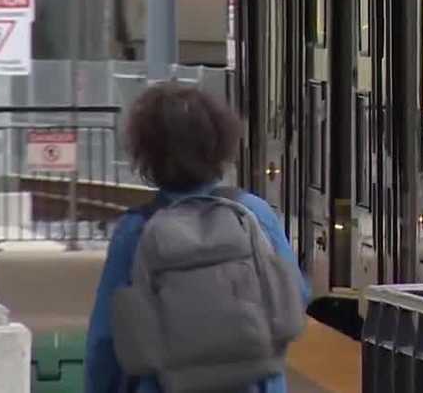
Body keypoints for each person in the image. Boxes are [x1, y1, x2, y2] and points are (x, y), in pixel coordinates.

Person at [86, 82, 311, 393]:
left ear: (147, 154)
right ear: (220, 144)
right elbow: (294, 296)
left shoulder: (135, 229)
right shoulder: (253, 212)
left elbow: (106, 339)